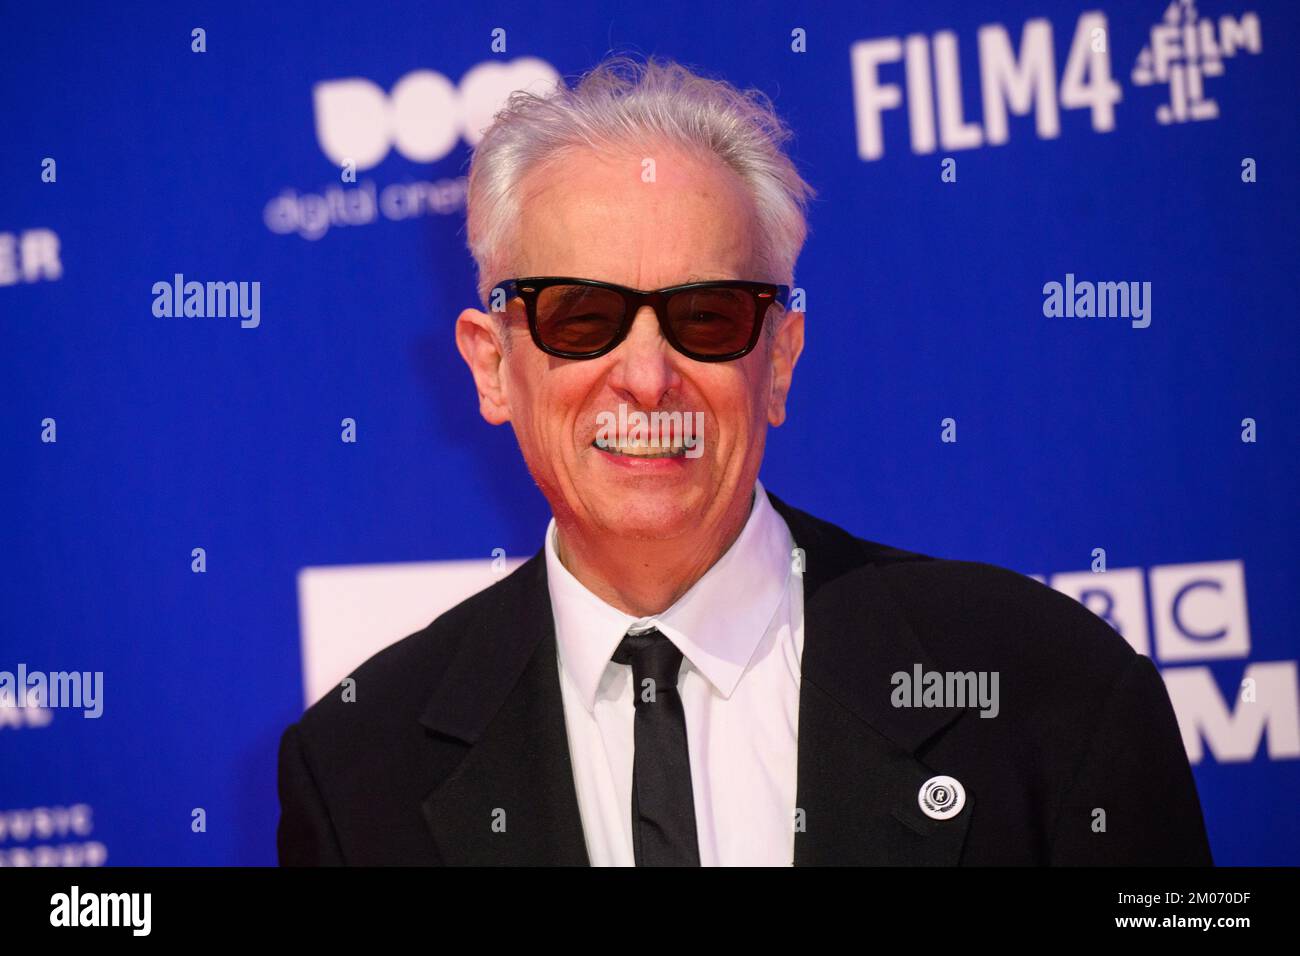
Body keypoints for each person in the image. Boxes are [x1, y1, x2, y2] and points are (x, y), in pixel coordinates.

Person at [276, 54, 1213, 866]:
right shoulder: (361, 769)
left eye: (708, 316)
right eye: (581, 316)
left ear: (780, 361)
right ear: (492, 365)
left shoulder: (1052, 689)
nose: (646, 378)